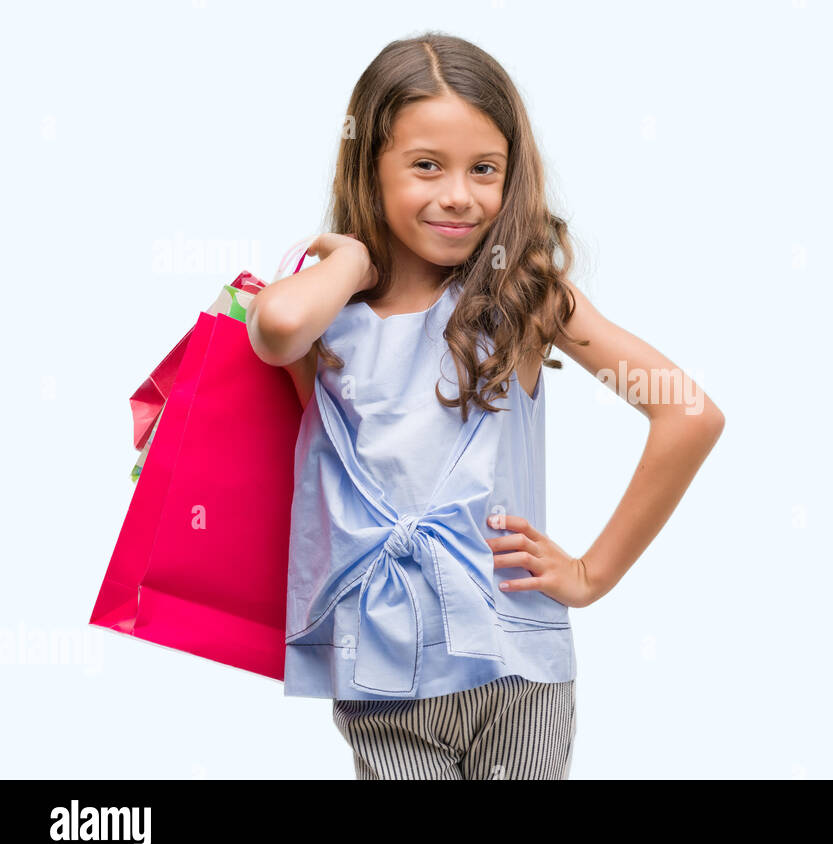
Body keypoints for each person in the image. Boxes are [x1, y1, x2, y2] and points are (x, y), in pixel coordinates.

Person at [246, 32, 725, 780]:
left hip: (516, 668)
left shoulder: (520, 301)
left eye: (485, 170)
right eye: (426, 166)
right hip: (384, 679)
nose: (459, 195)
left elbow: (687, 412)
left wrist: (591, 574)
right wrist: (350, 262)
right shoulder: (329, 317)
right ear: (370, 166)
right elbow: (274, 329)